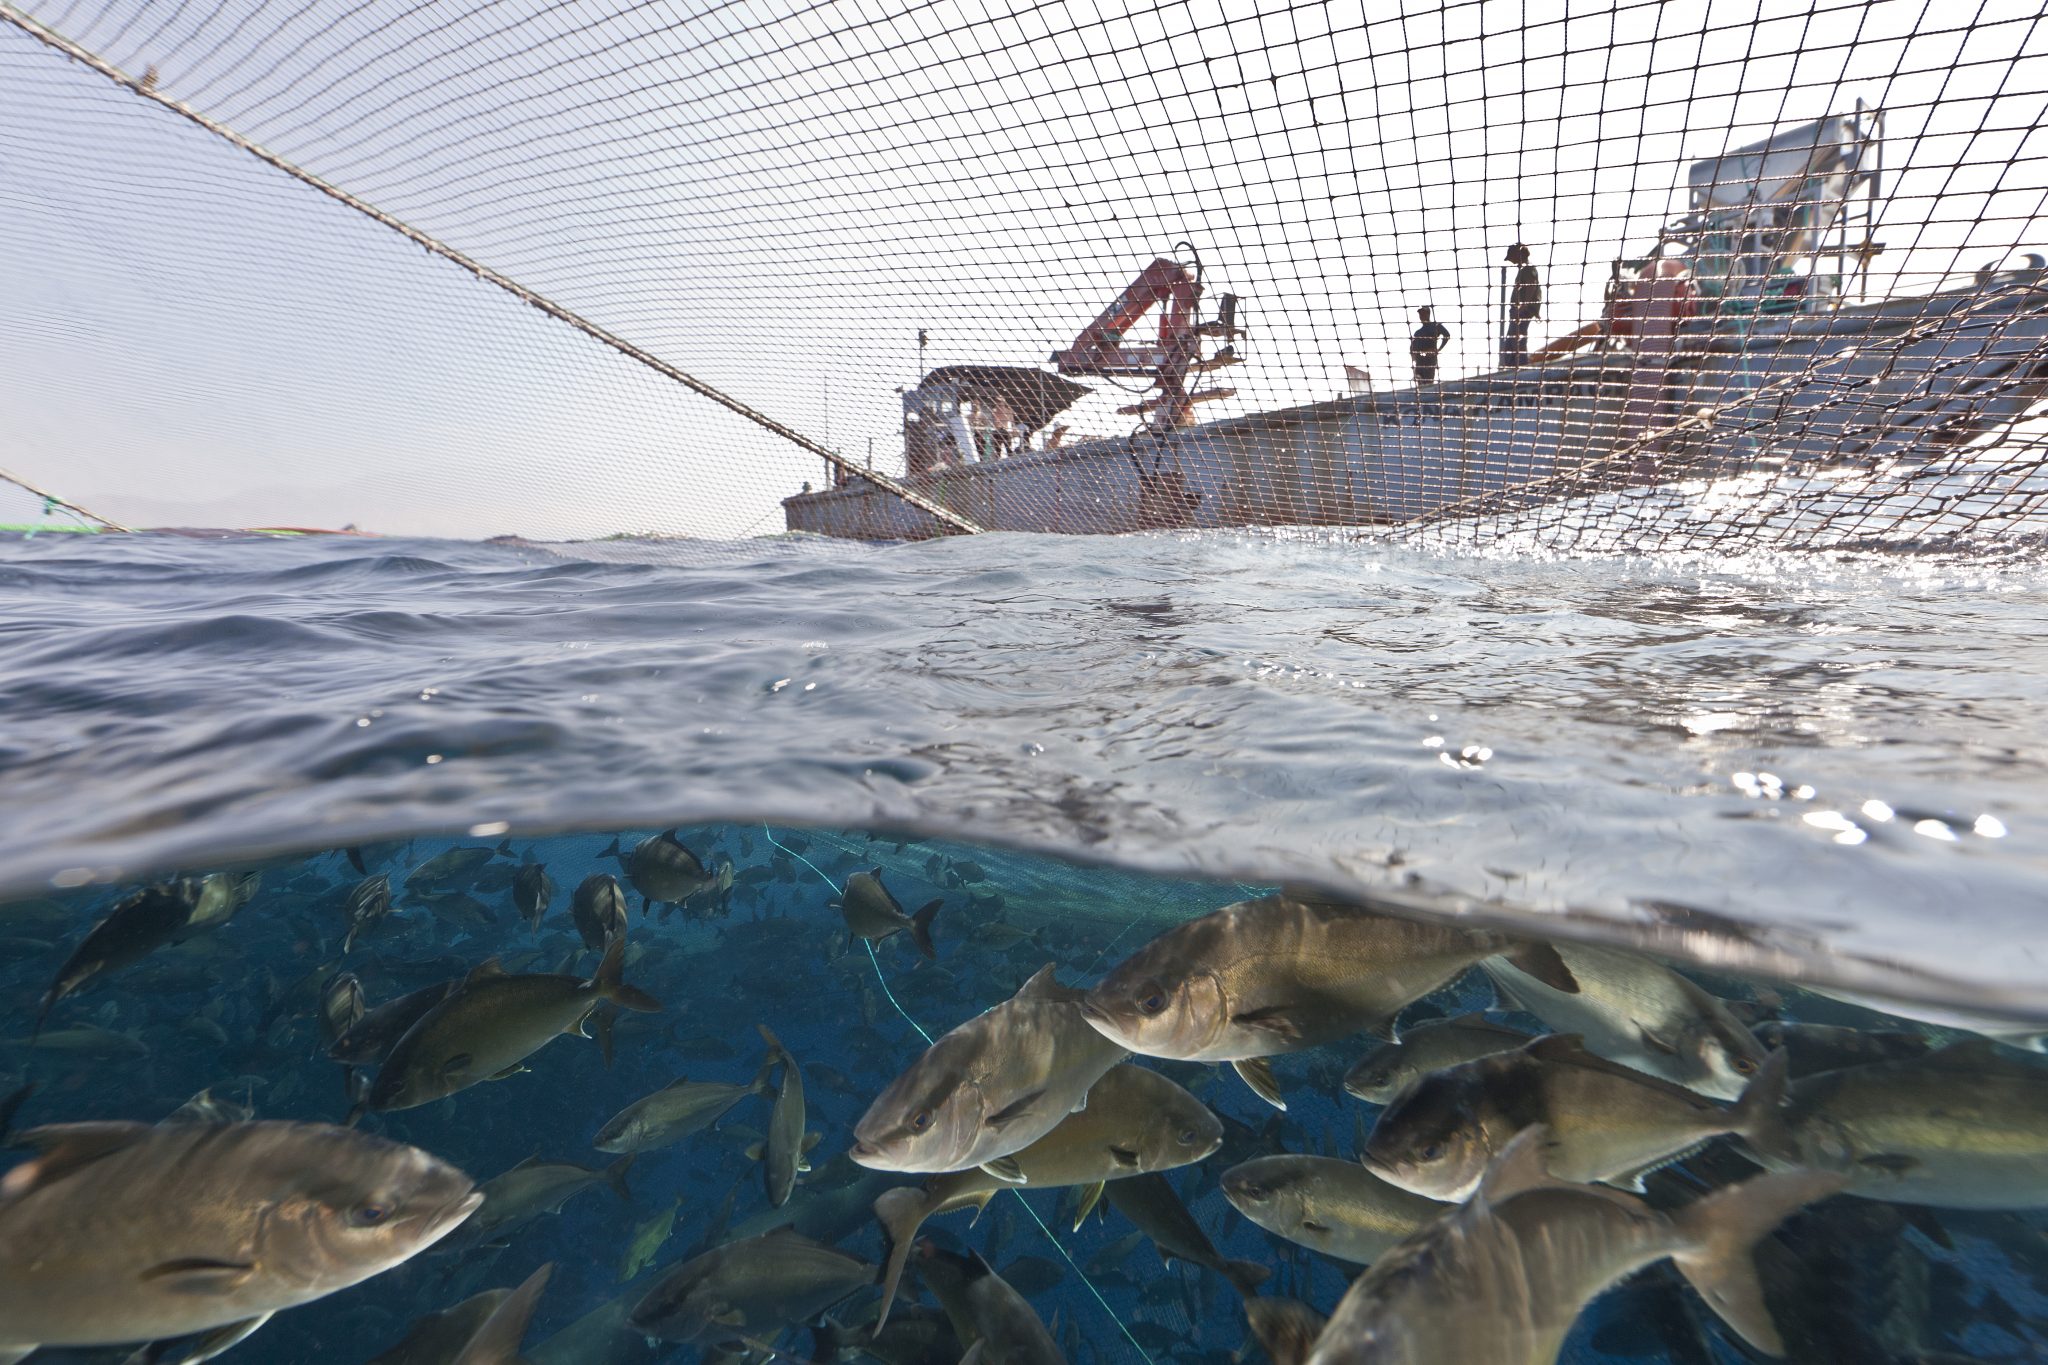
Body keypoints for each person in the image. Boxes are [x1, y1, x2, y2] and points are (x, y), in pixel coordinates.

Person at [1503, 243, 1542, 368]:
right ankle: (1515, 365)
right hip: (1520, 310)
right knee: (1512, 341)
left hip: (1523, 311)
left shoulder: (1528, 269)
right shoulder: (1525, 269)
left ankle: (1521, 366)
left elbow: (1531, 286)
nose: (1512, 261)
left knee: (1516, 339)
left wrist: (1523, 306)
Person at [1409, 307, 1450, 386]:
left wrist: (1439, 349)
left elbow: (1446, 335)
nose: (1421, 316)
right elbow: (1412, 347)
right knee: (1420, 384)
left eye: (1423, 313)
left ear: (1428, 314)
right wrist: (1413, 357)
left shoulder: (1435, 326)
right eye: (1420, 314)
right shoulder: (1418, 332)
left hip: (1430, 359)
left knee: (1428, 384)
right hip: (1419, 361)